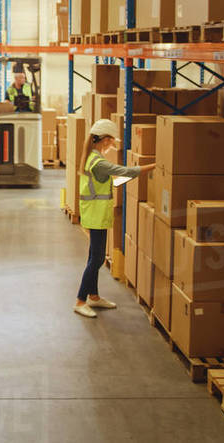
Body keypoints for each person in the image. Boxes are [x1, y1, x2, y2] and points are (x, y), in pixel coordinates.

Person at [74, 118, 154, 318]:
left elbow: (112, 179)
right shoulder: (99, 162)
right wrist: (154, 165)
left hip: (93, 212)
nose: (112, 145)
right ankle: (80, 300)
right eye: (111, 141)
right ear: (103, 139)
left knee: (94, 257)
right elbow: (125, 171)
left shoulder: (91, 157)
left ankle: (93, 296)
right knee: (97, 259)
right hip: (96, 214)